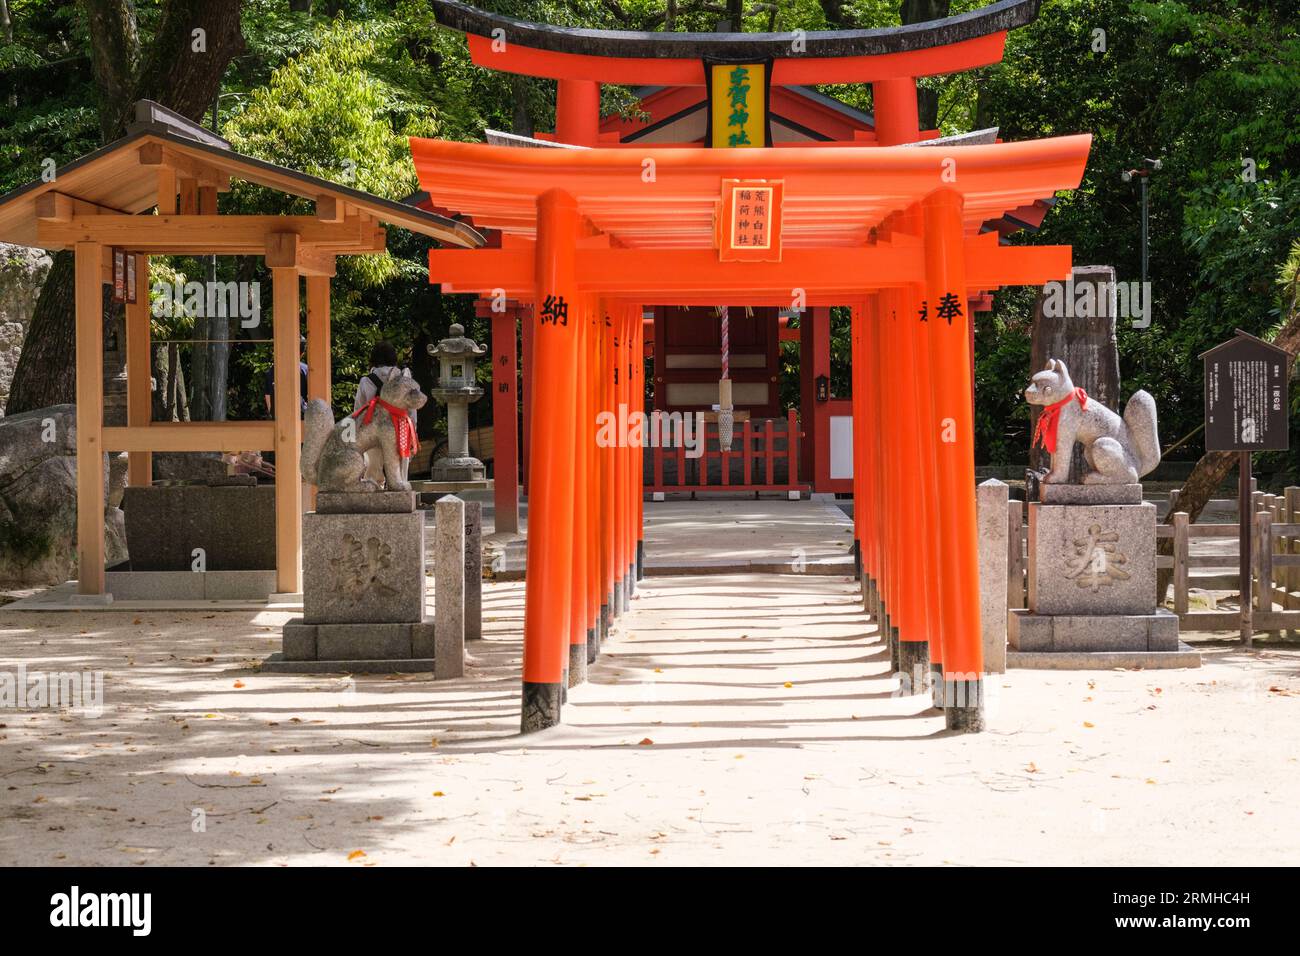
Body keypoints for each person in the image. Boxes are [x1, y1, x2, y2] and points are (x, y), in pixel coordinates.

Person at [354, 340, 418, 485]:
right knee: (400, 477)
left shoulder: (366, 381)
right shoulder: (404, 379)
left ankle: (374, 501)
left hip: (373, 431)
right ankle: (400, 501)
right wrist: (413, 429)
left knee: (372, 476)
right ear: (394, 358)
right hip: (400, 430)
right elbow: (412, 409)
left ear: (373, 360)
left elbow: (358, 411)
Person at [263, 333, 308, 418]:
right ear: (302, 354)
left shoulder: (273, 370)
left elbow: (268, 395)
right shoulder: (305, 370)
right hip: (300, 417)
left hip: (279, 416)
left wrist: (273, 415)